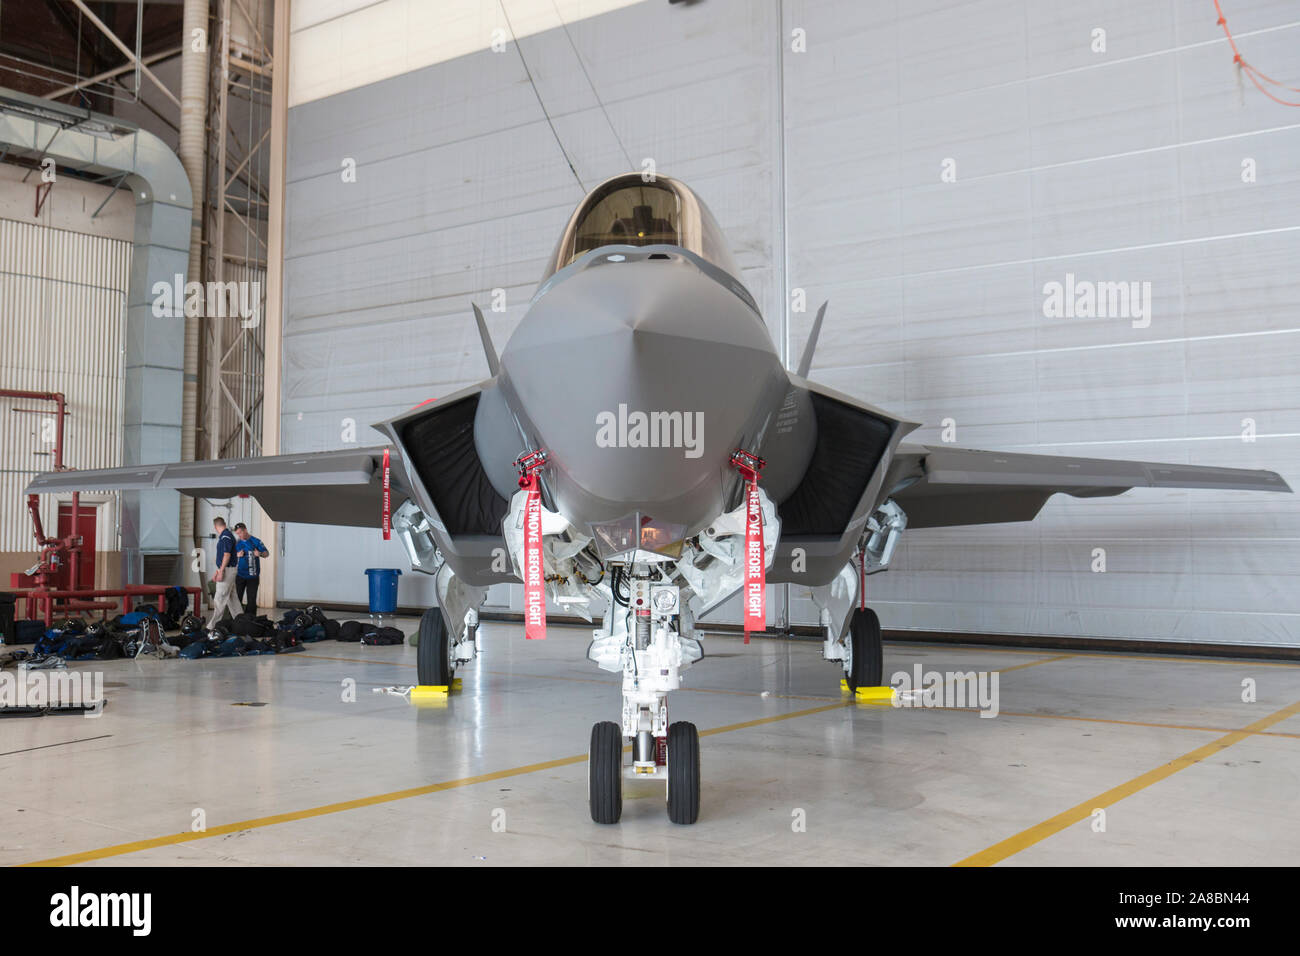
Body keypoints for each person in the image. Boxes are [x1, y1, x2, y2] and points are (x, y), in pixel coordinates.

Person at [207, 517, 241, 627]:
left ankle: (211, 626)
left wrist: (221, 571)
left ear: (215, 527)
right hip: (228, 570)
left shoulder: (225, 537)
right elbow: (223, 556)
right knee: (232, 599)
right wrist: (218, 571)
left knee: (219, 599)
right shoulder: (226, 535)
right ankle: (241, 623)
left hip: (227, 571)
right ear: (224, 524)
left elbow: (227, 555)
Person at [233, 523, 269, 617]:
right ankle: (236, 621)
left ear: (245, 530)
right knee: (237, 600)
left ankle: (251, 621)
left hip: (253, 576)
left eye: (240, 533)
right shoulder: (237, 542)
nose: (239, 535)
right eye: (237, 534)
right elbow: (231, 556)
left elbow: (266, 553)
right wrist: (237, 555)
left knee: (252, 601)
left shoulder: (256, 541)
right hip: (240, 575)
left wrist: (260, 554)